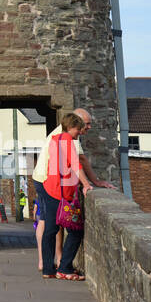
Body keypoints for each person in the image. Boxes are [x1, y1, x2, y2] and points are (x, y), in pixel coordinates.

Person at [31, 107, 114, 274]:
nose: (84, 129)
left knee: (50, 226)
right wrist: (89, 183)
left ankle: (49, 267)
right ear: (73, 124)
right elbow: (77, 162)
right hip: (57, 190)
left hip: (51, 186)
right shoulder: (67, 140)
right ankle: (62, 266)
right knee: (71, 229)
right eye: (83, 126)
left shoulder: (58, 136)